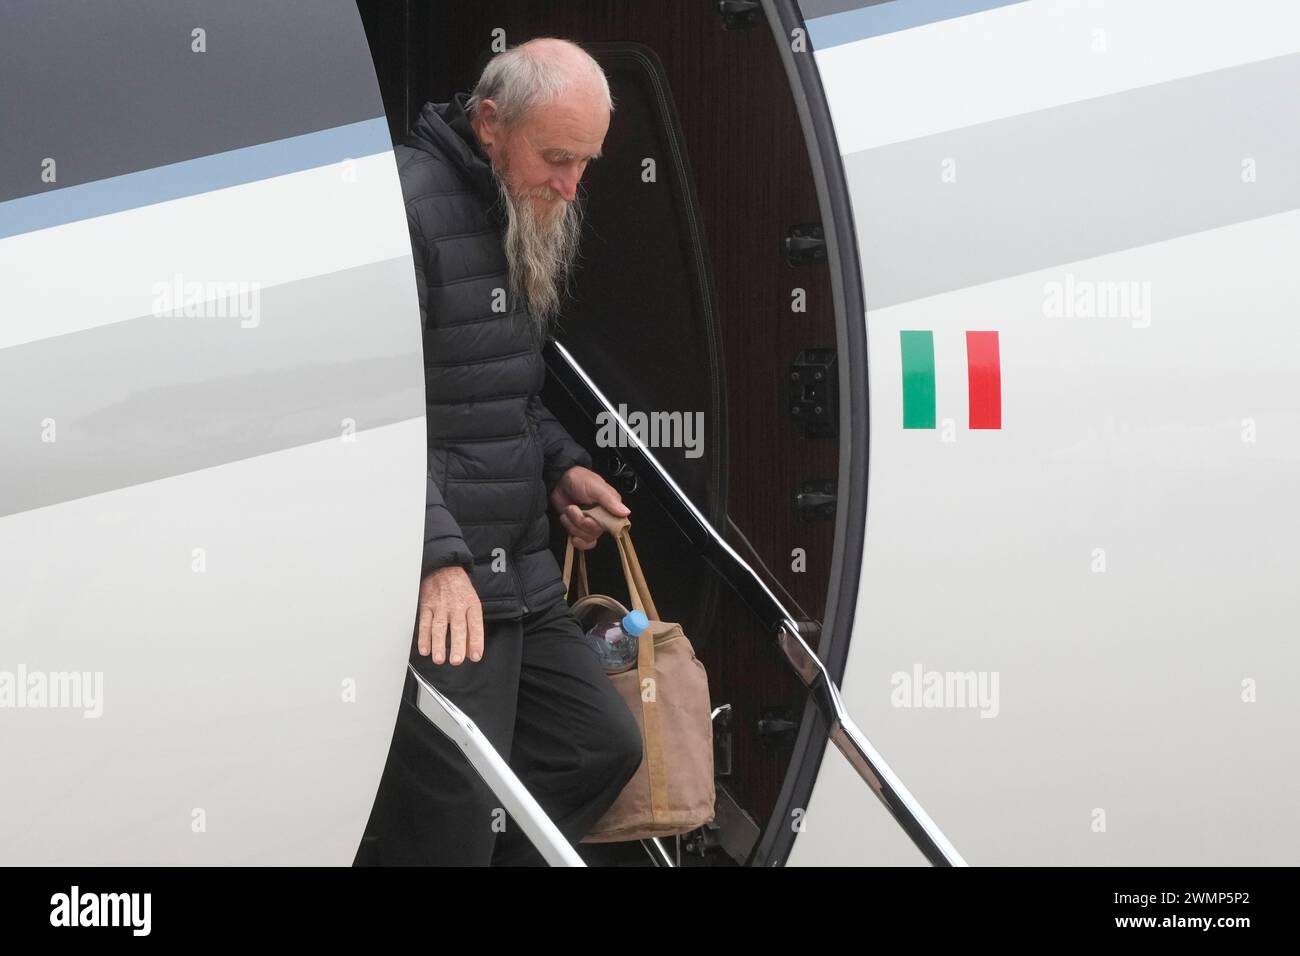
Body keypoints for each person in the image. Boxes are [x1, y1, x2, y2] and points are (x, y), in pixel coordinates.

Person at [354, 37, 644, 867]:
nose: (571, 185)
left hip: (520, 565)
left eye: (585, 163)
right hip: (452, 586)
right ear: (490, 122)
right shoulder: (405, 205)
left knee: (600, 745)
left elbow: (504, 391)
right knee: (452, 824)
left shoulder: (519, 205)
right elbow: (371, 418)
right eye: (558, 158)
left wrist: (560, 467)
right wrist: (435, 556)